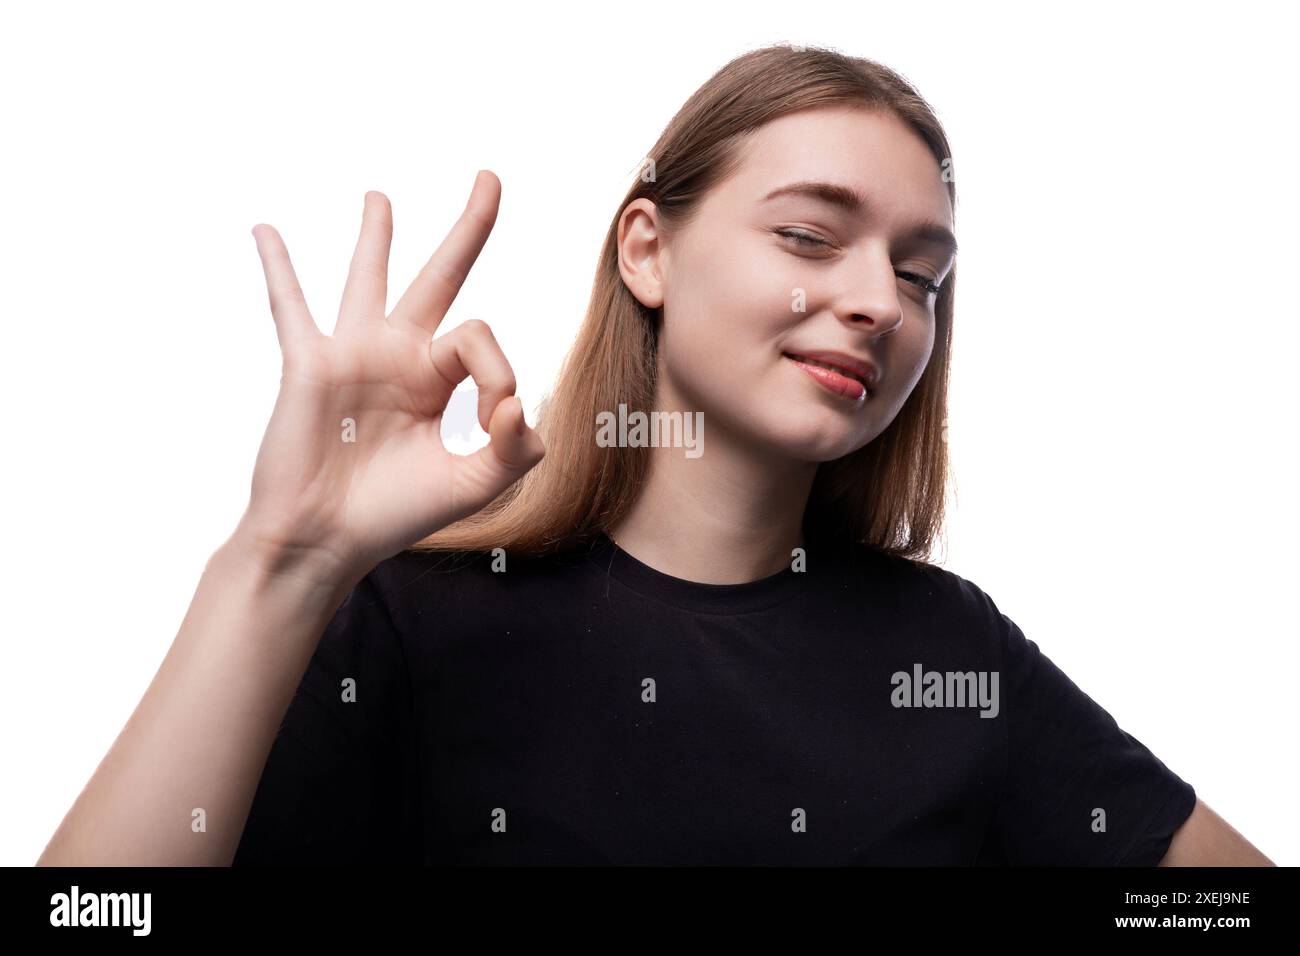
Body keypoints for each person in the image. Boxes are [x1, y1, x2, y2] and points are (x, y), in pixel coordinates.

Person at [37, 45, 1272, 866]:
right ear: (647, 251)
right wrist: (282, 558)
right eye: (809, 234)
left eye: (919, 273)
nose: (879, 304)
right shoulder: (415, 622)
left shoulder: (949, 652)